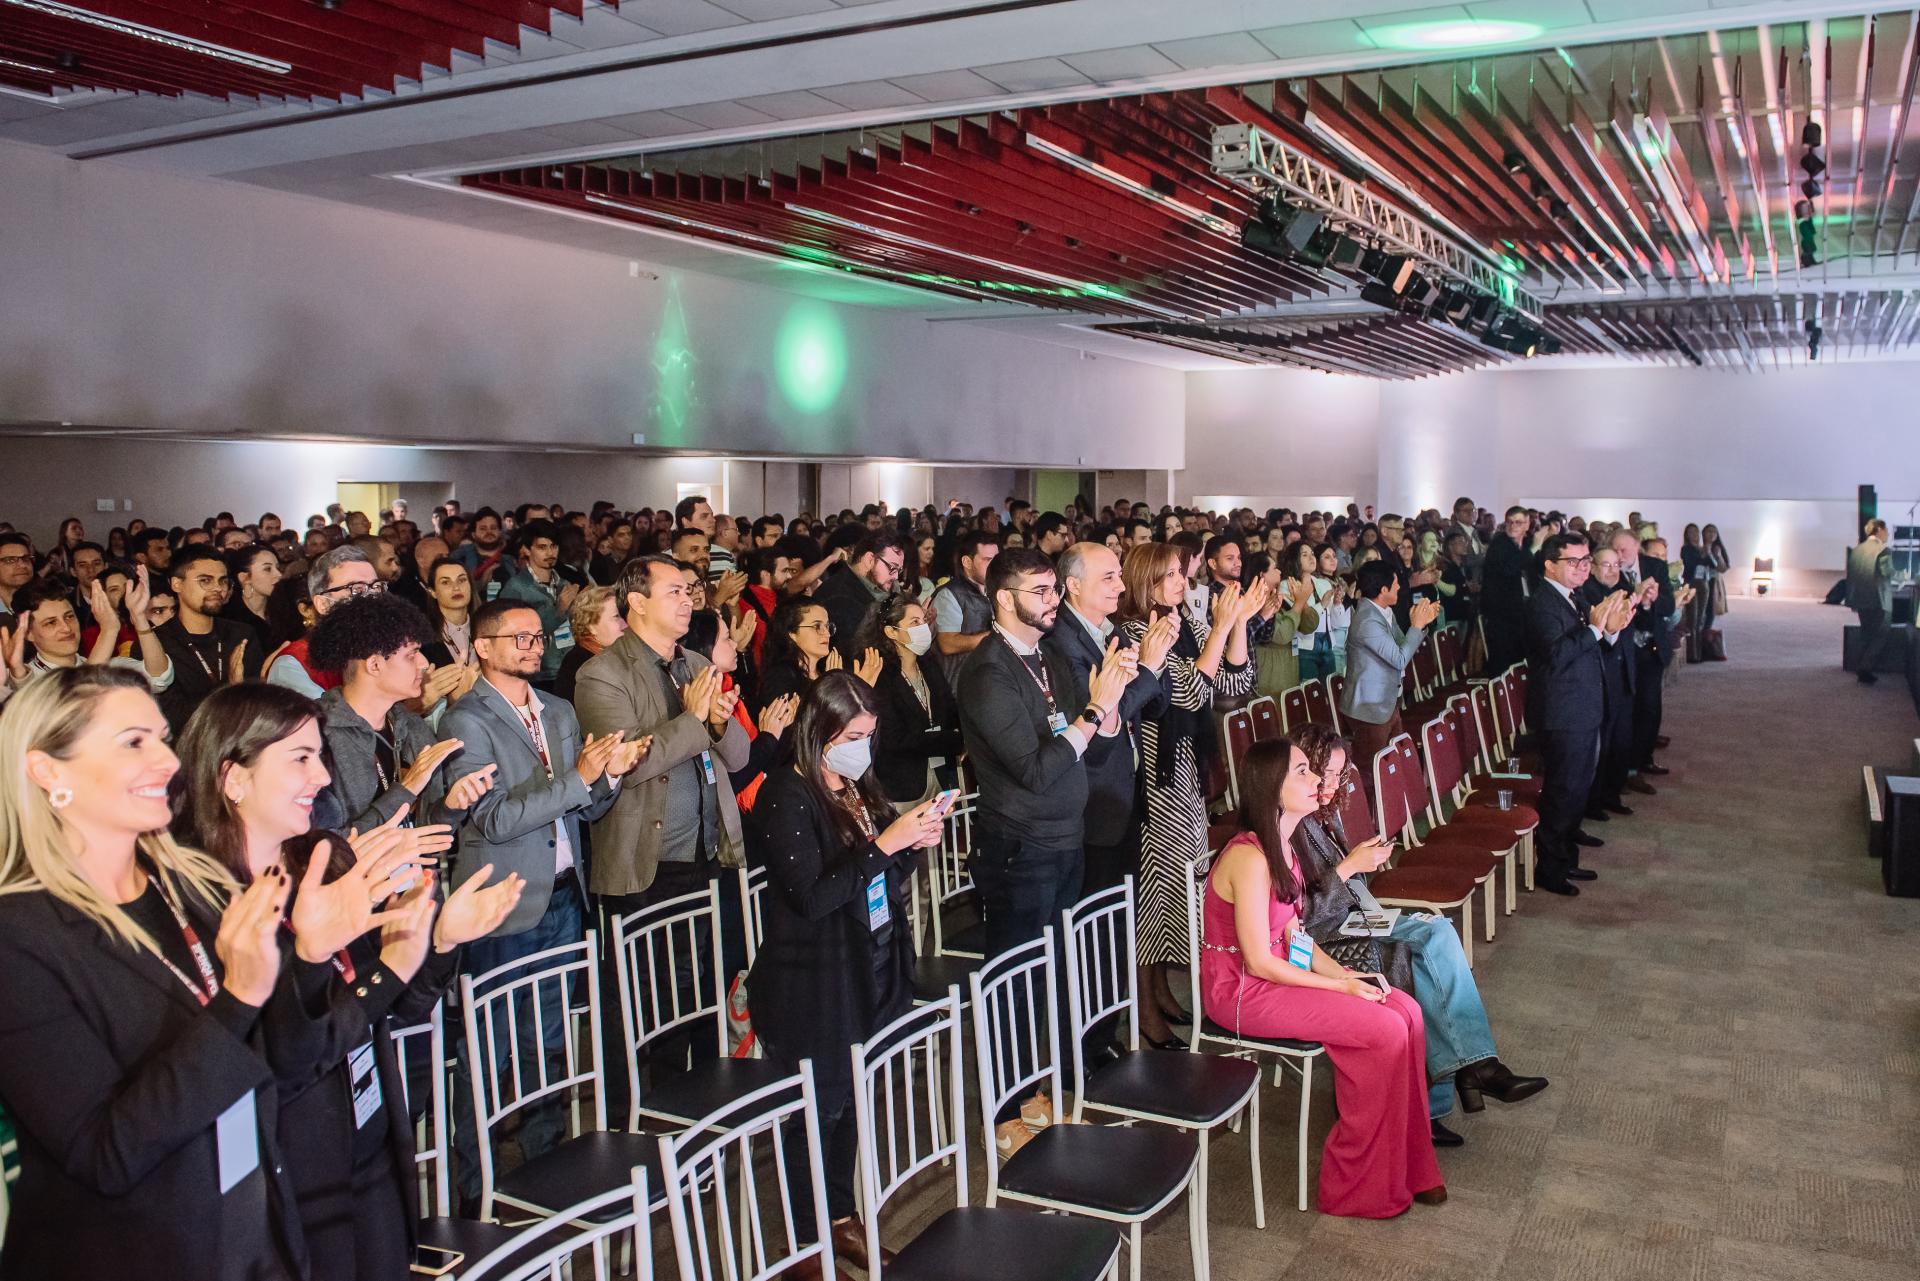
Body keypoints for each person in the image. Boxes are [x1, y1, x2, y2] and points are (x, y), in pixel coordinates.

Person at [171, 682, 523, 1281]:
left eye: (320, 757)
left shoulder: (326, 860)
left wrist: (438, 943)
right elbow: (281, 1059)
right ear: (233, 778)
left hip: (370, 1151)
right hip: (288, 1179)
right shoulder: (198, 909)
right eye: (299, 759)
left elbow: (394, 1010)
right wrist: (318, 955)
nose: (323, 779)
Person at [0, 667, 304, 1280]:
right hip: (135, 1254)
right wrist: (239, 997)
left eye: (163, 738)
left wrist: (321, 955)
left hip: (251, 1229)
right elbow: (104, 1152)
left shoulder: (192, 885)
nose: (168, 761)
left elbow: (283, 1066)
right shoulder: (19, 936)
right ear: (47, 771)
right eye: (134, 742)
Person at [437, 598, 643, 1208]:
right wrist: (580, 778)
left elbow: (584, 809)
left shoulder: (555, 709)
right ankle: (472, 1189)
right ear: (483, 646)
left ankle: (546, 1167)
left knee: (549, 1040)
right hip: (500, 905)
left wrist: (609, 778)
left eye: (536, 637)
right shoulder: (466, 721)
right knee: (489, 1049)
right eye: (518, 637)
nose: (533, 646)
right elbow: (495, 818)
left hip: (561, 895)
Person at [745, 673, 945, 1272]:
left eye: (870, 734)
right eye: (854, 735)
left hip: (867, 959)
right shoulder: (789, 792)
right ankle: (806, 1237)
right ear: (820, 731)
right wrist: (886, 847)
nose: (864, 746)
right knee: (820, 1107)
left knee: (851, 1101)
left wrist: (912, 841)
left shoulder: (856, 782)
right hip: (812, 976)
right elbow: (811, 895)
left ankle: (840, 1219)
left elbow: (874, 872)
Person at [1199, 737, 1444, 1218]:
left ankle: (1411, 1166)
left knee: (1406, 1010)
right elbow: (1260, 961)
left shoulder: (1284, 849)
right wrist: (1342, 988)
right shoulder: (1248, 857)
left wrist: (1352, 975)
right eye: (1302, 773)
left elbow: (1297, 943)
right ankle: (1355, 1187)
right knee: (1384, 1029)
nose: (1316, 781)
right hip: (1241, 991)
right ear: (1271, 787)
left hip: (1274, 975)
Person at [1290, 726, 1547, 1144]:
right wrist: (1349, 867)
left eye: (1339, 775)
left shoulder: (1318, 816)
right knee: (1421, 955)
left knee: (1438, 932)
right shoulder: (1287, 825)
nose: (1330, 785)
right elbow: (1298, 914)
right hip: (1319, 942)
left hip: (1350, 921)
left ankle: (1462, 1079)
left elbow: (1338, 892)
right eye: (1324, 773)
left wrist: (1357, 867)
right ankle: (1469, 1075)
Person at [1116, 541, 1262, 1046]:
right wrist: (1220, 627)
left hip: (1189, 774)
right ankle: (1144, 1009)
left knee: (1175, 887)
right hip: (1156, 783)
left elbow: (1237, 681)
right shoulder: (1136, 633)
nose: (1182, 582)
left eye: (1181, 573)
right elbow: (1189, 692)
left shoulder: (1185, 623)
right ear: (1146, 584)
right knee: (1154, 894)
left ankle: (1159, 994)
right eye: (1170, 576)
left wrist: (1238, 620)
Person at [573, 554, 752, 913]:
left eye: (688, 592)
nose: (688, 600)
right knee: (650, 968)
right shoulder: (602, 675)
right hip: (648, 860)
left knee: (701, 966)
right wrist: (694, 717)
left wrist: (718, 724)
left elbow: (738, 759)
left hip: (707, 847)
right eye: (674, 592)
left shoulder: (697, 665)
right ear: (638, 602)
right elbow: (629, 764)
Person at [1045, 543, 1175, 902]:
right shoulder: (1060, 641)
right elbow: (1095, 711)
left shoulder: (1114, 631)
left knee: (1123, 907)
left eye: (1119, 575)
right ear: (1072, 585)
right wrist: (1147, 669)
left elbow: (1155, 706)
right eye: (1108, 578)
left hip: (1126, 786)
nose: (1120, 585)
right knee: (1096, 910)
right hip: (1092, 791)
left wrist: (1157, 660)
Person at [307, 592, 496, 833]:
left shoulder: (409, 726)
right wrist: (405, 791)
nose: (423, 663)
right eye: (411, 655)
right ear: (375, 664)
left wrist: (452, 807)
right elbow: (329, 845)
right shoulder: (316, 736)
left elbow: (428, 828)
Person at [1526, 533, 1634, 896]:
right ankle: (1551, 869)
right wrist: (1595, 628)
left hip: (1584, 707)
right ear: (1550, 565)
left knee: (1577, 791)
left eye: (1586, 560)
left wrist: (1611, 632)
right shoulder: (1542, 602)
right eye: (1573, 561)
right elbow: (1556, 656)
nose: (1583, 567)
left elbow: (1591, 646)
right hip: (1562, 713)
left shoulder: (1576, 596)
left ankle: (1565, 858)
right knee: (1563, 791)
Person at [855, 590, 964, 805]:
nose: (923, 627)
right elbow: (894, 737)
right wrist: (956, 740)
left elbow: (949, 708)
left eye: (923, 620)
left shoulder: (929, 663)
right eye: (914, 622)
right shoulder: (881, 673)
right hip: (903, 784)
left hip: (942, 777)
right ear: (891, 632)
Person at [1338, 560, 1441, 772]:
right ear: (1384, 589)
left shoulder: (1383, 611)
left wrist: (1422, 623)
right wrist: (1416, 625)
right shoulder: (1368, 621)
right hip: (1369, 708)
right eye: (1395, 584)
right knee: (1372, 770)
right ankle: (1372, 805)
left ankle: (1394, 804)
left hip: (1386, 701)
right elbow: (1400, 658)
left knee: (1395, 763)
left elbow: (1403, 644)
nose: (1400, 588)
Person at [4, 573, 172, 694]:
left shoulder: (108, 665)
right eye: (51, 623)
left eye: (69, 617)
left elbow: (159, 678)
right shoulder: (25, 680)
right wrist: (109, 630)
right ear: (28, 633)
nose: (66, 628)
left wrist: (140, 618)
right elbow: (78, 699)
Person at [154, 546, 253, 732]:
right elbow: (170, 717)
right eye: (205, 581)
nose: (218, 588)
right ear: (177, 584)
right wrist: (230, 690)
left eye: (222, 581)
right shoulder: (157, 643)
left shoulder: (242, 635)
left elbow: (256, 704)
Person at [1581, 544, 1641, 819]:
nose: (1613, 570)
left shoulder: (1624, 588)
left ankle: (1612, 793)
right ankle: (1594, 801)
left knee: (1621, 741)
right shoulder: (1589, 593)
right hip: (1602, 676)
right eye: (1606, 565)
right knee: (1601, 746)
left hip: (1623, 672)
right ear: (1593, 567)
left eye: (1617, 565)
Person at [1612, 527, 1675, 772]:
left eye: (1623, 549)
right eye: (1615, 549)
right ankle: (1625, 766)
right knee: (1627, 707)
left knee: (1650, 706)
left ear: (1637, 548)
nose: (1618, 555)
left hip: (1652, 645)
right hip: (1623, 649)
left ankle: (1643, 759)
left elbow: (1669, 606)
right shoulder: (1610, 570)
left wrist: (1652, 602)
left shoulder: (1655, 567)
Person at [495, 520, 580, 686]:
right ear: (527, 550)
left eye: (553, 546)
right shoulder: (516, 588)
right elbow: (517, 637)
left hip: (568, 668)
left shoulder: (564, 583)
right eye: (542, 547)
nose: (550, 552)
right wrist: (559, 610)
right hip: (538, 674)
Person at [814, 528, 907, 658]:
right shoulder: (837, 595)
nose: (896, 576)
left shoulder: (889, 588)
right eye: (892, 568)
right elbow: (856, 651)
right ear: (870, 559)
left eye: (899, 570)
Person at [928, 528, 997, 685]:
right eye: (988, 560)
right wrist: (996, 637)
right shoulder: (950, 594)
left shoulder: (998, 590)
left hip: (988, 681)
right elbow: (947, 643)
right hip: (958, 685)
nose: (995, 566)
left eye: (996, 559)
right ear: (967, 562)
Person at [1480, 506, 1533, 675]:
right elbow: (1509, 569)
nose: (1513, 526)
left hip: (1521, 610)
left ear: (1527, 524)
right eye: (1509, 522)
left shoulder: (1527, 543)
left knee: (1520, 658)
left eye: (1518, 522)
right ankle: (1498, 697)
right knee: (1502, 660)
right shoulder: (1499, 543)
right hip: (1501, 612)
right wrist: (1532, 549)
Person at [1849, 518, 1896, 685]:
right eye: (1887, 531)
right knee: (1880, 635)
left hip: (1861, 599)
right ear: (1879, 530)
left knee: (1866, 634)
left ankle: (1860, 666)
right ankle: (1865, 668)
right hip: (1880, 600)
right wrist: (1902, 575)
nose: (1888, 535)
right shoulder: (1883, 550)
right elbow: (1887, 573)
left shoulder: (1857, 550)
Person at [1296, 545, 1349, 682]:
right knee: (1311, 692)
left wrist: (1336, 604)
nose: (1311, 557)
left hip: (1328, 643)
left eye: (1312, 553)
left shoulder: (1324, 584)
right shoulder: (1291, 584)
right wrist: (1323, 603)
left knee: (1331, 690)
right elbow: (1304, 622)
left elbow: (1335, 622)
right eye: (1305, 554)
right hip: (1306, 644)